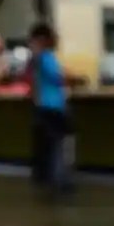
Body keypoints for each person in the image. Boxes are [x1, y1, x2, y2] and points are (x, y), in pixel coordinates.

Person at [28, 23, 73, 195]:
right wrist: (74, 79)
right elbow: (57, 78)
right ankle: (59, 180)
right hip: (53, 107)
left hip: (42, 107)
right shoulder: (46, 57)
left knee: (49, 146)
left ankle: (50, 179)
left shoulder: (35, 59)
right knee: (57, 146)